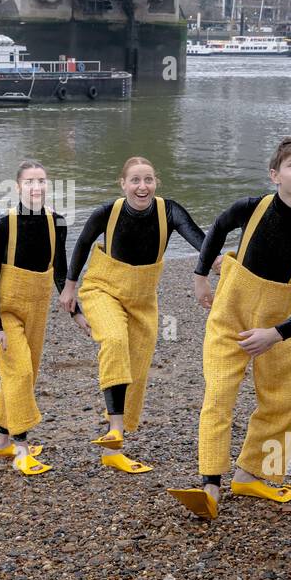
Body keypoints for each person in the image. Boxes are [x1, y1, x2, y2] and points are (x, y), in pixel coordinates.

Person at [167, 138, 291, 519]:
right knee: (219, 397)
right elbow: (218, 227)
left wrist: (275, 334)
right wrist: (200, 274)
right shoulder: (252, 207)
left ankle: (250, 474)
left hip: (278, 331)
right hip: (229, 322)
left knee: (289, 401)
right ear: (275, 174)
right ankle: (210, 485)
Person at [60, 156, 209, 474]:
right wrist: (70, 288)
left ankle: (115, 447)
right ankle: (113, 430)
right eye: (136, 180)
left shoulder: (169, 211)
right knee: (113, 340)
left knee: (137, 371)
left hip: (143, 300)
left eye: (149, 180)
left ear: (156, 183)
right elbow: (83, 244)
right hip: (102, 289)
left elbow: (198, 239)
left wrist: (217, 262)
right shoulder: (107, 212)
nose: (143, 187)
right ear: (123, 184)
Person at [0, 160, 67, 475]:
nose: (37, 187)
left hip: (37, 306)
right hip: (2, 308)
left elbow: (60, 271)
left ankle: (0, 441)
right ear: (18, 187)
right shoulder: (4, 224)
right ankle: (22, 449)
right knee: (18, 373)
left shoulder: (57, 222)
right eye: (30, 182)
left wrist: (77, 311)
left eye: (42, 181)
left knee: (25, 375)